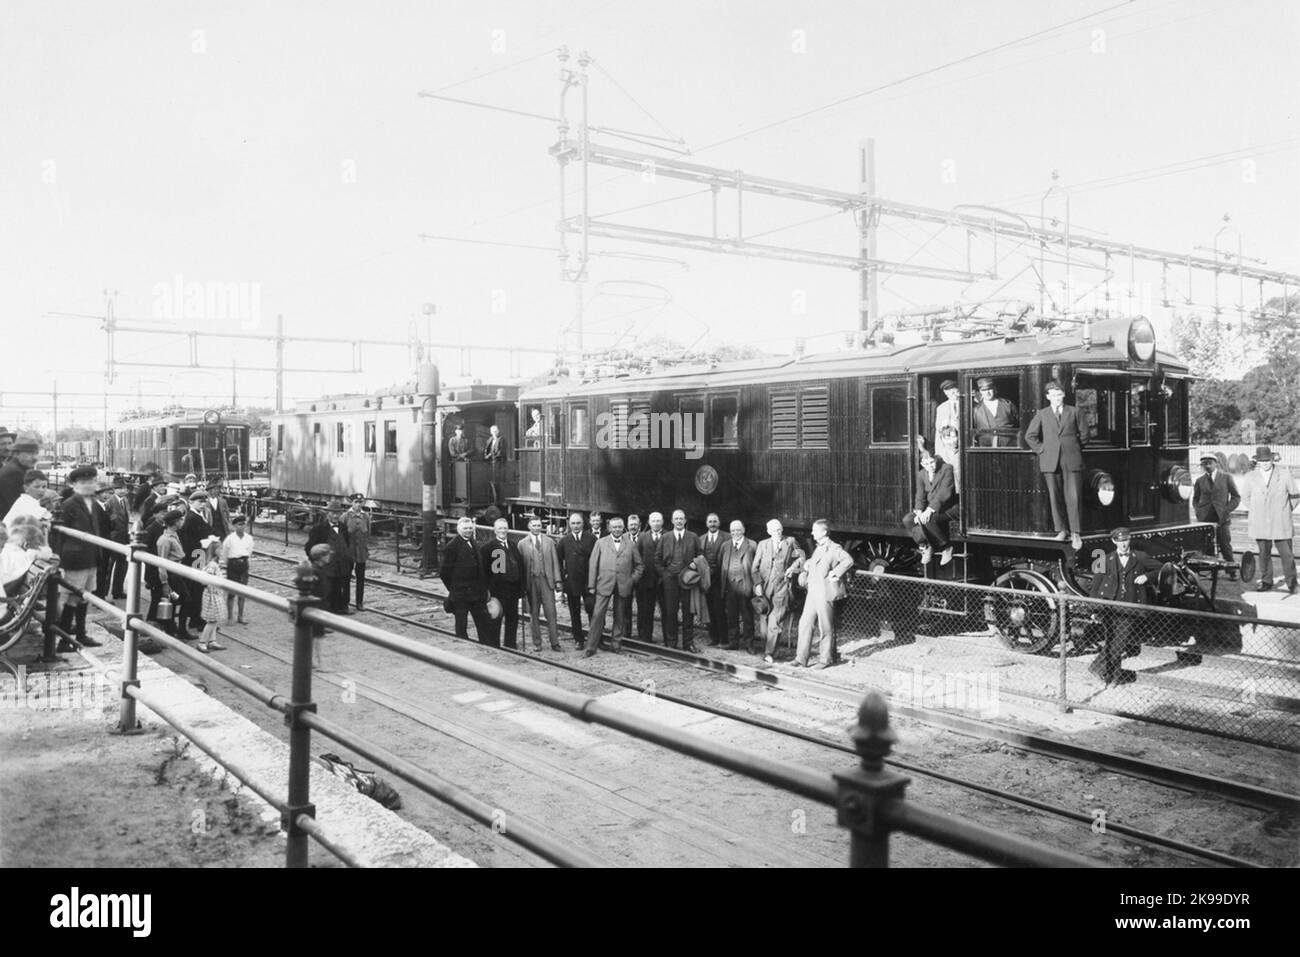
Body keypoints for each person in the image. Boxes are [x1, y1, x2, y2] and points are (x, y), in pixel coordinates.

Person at [1087, 527, 1162, 684]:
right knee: (1111, 640)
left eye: (1126, 540)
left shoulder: (1140, 557)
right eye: (1120, 541)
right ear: (1114, 541)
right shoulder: (1104, 559)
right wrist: (1093, 608)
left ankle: (1097, 667)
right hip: (1109, 606)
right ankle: (1113, 677)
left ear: (1130, 540)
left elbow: (1162, 568)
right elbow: (1095, 585)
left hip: (1129, 606)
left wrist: (1147, 576)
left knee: (1120, 641)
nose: (1123, 544)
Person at [1024, 379, 1086, 550]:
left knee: (1074, 497)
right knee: (1054, 496)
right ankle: (1061, 530)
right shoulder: (1042, 414)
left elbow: (1085, 435)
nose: (1056, 398)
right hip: (1050, 461)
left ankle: (1076, 533)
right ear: (1047, 397)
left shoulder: (1075, 412)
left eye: (1059, 394)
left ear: (1064, 395)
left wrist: (1073, 449)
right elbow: (1030, 436)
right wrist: (1042, 450)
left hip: (1072, 460)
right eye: (1053, 395)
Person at [50, 466, 106, 651]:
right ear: (74, 485)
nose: (88, 485)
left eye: (91, 481)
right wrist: (57, 559)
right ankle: (65, 641)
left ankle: (81, 635)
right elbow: (58, 534)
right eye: (83, 482)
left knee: (84, 597)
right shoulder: (69, 504)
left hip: (91, 558)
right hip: (76, 559)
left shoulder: (94, 504)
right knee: (73, 598)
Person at [794, 519, 855, 669]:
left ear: (824, 532)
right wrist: (809, 563)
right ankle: (801, 659)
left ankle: (825, 659)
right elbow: (818, 563)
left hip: (824, 593)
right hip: (812, 592)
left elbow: (848, 560)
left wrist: (836, 572)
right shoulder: (818, 547)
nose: (812, 533)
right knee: (805, 624)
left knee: (825, 627)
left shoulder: (834, 548)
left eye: (815, 530)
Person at [584, 516, 643, 656]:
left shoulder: (631, 544)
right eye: (614, 527)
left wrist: (631, 580)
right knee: (597, 615)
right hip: (604, 583)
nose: (617, 529)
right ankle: (591, 647)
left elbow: (640, 566)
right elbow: (593, 564)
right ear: (609, 528)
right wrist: (592, 585)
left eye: (619, 527)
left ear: (624, 528)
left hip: (623, 585)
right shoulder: (600, 542)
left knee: (620, 616)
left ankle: (616, 645)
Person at [1245, 446, 1300, 594]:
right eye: (1261, 461)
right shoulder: (1250, 476)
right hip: (1260, 523)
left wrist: (1284, 511)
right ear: (1257, 461)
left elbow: (1294, 496)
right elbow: (1246, 498)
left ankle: (1292, 583)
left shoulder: (1284, 474)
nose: (1264, 463)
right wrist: (1258, 511)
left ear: (1272, 459)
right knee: (1264, 554)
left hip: (1281, 522)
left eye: (1267, 460)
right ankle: (1266, 582)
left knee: (1287, 555)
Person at [752, 519, 805, 664]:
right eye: (775, 531)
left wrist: (792, 569)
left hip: (782, 585)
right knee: (764, 619)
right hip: (765, 586)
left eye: (780, 530)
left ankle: (769, 652)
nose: (779, 533)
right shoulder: (763, 544)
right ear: (769, 532)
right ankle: (767, 646)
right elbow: (754, 567)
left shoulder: (791, 541)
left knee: (776, 618)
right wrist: (757, 584)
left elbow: (801, 557)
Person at [656, 509, 702, 651]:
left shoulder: (693, 537)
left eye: (681, 518)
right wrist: (664, 574)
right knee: (671, 611)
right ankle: (671, 642)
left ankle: (688, 643)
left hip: (688, 579)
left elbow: (700, 555)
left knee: (689, 612)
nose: (679, 521)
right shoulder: (665, 537)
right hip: (670, 579)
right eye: (676, 518)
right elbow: (657, 559)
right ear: (672, 521)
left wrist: (695, 564)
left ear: (685, 520)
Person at [903, 450, 959, 567]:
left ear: (936, 460)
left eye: (932, 462)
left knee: (929, 519)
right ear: (922, 464)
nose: (930, 466)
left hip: (949, 508)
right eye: (927, 464)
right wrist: (919, 511)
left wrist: (929, 510)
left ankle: (946, 547)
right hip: (931, 507)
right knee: (908, 520)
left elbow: (945, 493)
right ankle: (926, 546)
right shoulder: (921, 474)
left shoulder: (947, 469)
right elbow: (920, 495)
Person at [440, 516, 491, 640]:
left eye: (470, 528)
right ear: (458, 529)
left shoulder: (474, 543)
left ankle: (486, 647)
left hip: (477, 594)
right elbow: (444, 572)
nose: (468, 530)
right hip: (461, 594)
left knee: (482, 623)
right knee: (461, 625)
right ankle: (463, 650)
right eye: (465, 528)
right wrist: (454, 588)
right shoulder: (452, 547)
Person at [517, 514, 563, 651]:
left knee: (551, 612)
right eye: (534, 525)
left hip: (546, 581)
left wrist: (558, 580)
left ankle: (555, 642)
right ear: (529, 526)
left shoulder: (549, 542)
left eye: (538, 525)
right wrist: (522, 586)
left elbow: (555, 561)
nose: (536, 528)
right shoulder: (522, 544)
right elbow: (521, 567)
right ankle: (537, 643)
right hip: (531, 581)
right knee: (534, 613)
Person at [1193, 454, 1241, 574]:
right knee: (1207, 545)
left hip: (1222, 517)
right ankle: (1211, 571)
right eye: (1204, 464)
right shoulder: (1199, 481)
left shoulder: (1226, 478)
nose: (1207, 466)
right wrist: (1199, 511)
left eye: (1210, 463)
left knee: (1225, 544)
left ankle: (1231, 570)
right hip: (1205, 518)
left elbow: (1236, 497)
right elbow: (1195, 499)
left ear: (1216, 464)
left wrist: (1226, 510)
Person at [480, 517, 523, 649]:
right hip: (497, 591)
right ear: (495, 530)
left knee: (513, 618)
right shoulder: (488, 548)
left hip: (513, 590)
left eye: (505, 528)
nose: (503, 531)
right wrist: (487, 590)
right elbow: (484, 572)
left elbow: (520, 567)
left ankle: (510, 644)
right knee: (496, 618)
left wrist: (521, 588)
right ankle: (495, 645)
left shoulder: (513, 545)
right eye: (500, 528)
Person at [557, 512, 596, 648]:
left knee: (592, 610)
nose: (576, 526)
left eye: (578, 523)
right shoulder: (564, 541)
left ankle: (596, 638)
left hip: (588, 582)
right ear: (569, 524)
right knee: (574, 612)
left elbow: (596, 559)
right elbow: (558, 561)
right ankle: (578, 639)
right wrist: (563, 578)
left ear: (583, 524)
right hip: (572, 582)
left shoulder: (591, 539)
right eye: (573, 523)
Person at [180, 489, 216, 630]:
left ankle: (196, 617)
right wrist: (206, 541)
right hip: (196, 555)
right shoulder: (192, 518)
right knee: (196, 587)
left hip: (199, 553)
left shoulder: (199, 515)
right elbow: (191, 541)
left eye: (204, 502)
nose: (202, 505)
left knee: (198, 587)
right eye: (199, 502)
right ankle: (196, 619)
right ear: (191, 502)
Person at [719, 520, 757, 652]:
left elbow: (756, 566)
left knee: (747, 617)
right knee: (731, 616)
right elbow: (721, 565)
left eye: (738, 530)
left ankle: (749, 644)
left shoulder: (751, 545)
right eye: (733, 530)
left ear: (743, 530)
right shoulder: (725, 545)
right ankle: (733, 642)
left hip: (745, 586)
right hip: (730, 587)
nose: (735, 533)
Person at [304, 508, 352, 613]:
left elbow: (347, 544)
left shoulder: (343, 527)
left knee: (339, 587)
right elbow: (309, 547)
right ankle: (326, 613)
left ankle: (340, 607)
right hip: (326, 566)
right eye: (333, 513)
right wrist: (316, 561)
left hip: (341, 565)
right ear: (327, 514)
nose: (336, 516)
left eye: (338, 513)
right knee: (326, 590)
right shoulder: (319, 529)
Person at [634, 512, 664, 642]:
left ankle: (669, 640)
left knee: (666, 611)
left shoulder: (668, 535)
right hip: (647, 580)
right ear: (649, 522)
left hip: (664, 581)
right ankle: (645, 638)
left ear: (662, 522)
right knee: (646, 610)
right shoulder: (643, 537)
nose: (656, 523)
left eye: (658, 521)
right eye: (654, 521)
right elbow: (637, 557)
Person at [196, 536, 227, 653]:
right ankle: (202, 642)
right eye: (220, 549)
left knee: (215, 619)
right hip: (212, 595)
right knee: (212, 620)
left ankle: (212, 640)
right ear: (215, 550)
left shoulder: (214, 563)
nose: (222, 551)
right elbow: (205, 581)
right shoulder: (212, 565)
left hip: (215, 594)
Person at [700, 512, 726, 646]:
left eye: (715, 521)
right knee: (709, 610)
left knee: (720, 610)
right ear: (706, 524)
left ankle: (723, 638)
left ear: (719, 523)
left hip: (720, 581)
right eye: (710, 521)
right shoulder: (701, 539)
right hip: (706, 581)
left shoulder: (726, 537)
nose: (712, 524)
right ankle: (713, 637)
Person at [222, 514, 253, 624]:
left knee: (242, 592)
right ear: (234, 526)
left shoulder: (249, 538)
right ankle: (230, 617)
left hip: (244, 564)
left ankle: (240, 616)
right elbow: (225, 553)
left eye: (244, 524)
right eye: (239, 525)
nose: (242, 527)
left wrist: (243, 561)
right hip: (233, 565)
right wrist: (228, 564)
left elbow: (249, 551)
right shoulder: (229, 539)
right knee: (231, 592)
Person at [971, 377, 1017, 448]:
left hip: (1008, 447)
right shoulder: (976, 410)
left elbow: (1017, 423)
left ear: (995, 389)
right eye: (984, 390)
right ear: (980, 392)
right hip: (986, 448)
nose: (987, 392)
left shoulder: (1008, 404)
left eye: (989, 389)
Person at [344, 493, 371, 610]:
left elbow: (368, 533)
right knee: (345, 578)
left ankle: (359, 603)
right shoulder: (345, 516)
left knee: (361, 578)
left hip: (361, 552)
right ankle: (345, 602)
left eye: (360, 502)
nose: (358, 505)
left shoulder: (366, 517)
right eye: (356, 502)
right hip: (348, 552)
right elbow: (341, 534)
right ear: (351, 503)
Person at [0, 439, 39, 518]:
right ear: (16, 454)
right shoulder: (14, 472)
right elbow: (18, 506)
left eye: (36, 453)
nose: (35, 458)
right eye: (30, 453)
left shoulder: (16, 469)